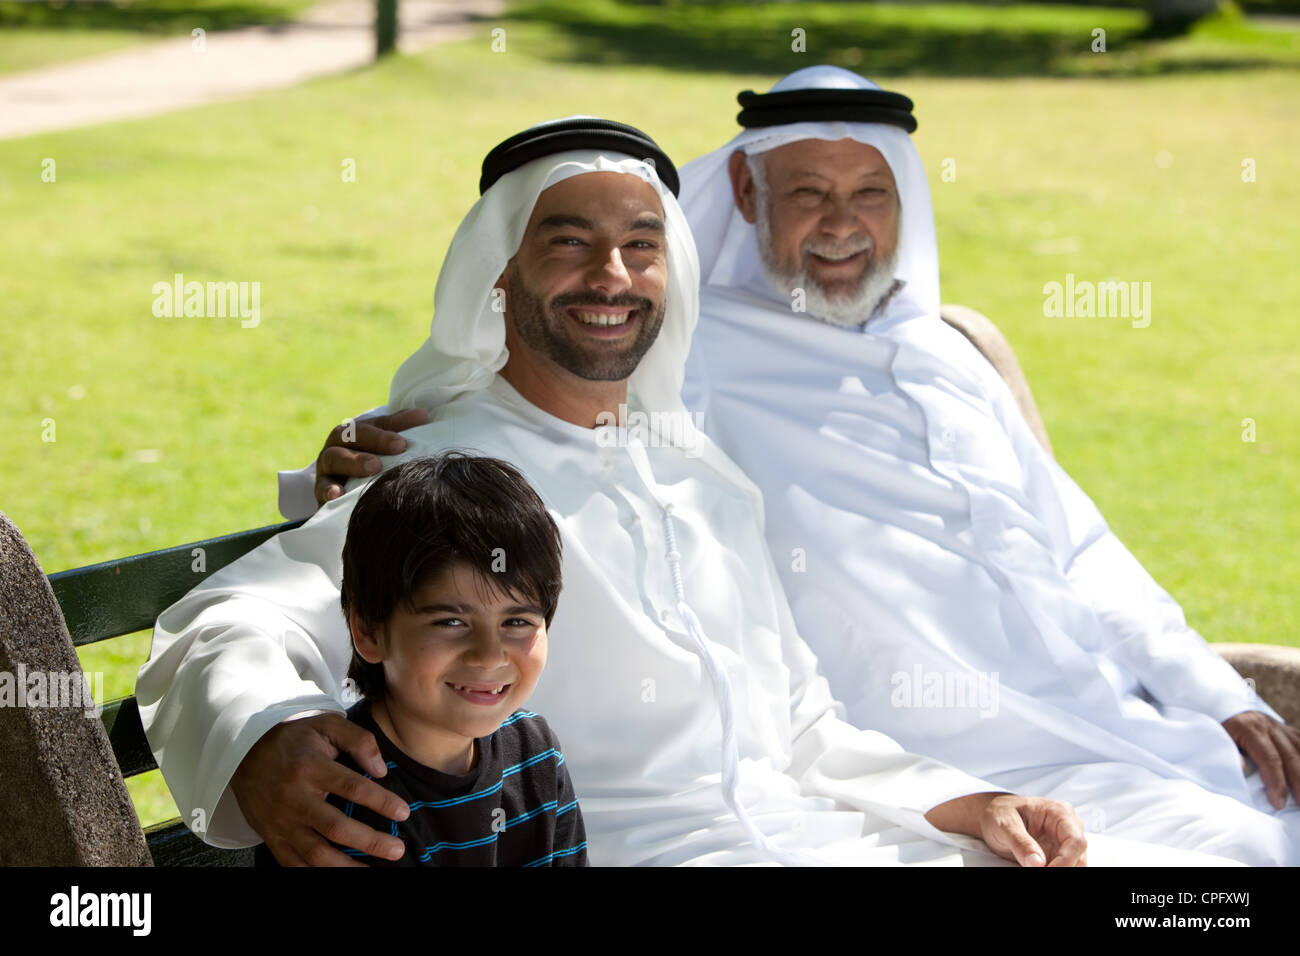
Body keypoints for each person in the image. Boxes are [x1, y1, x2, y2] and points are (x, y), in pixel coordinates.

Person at [285, 82, 1299, 867]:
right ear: (497, 268)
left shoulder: (719, 461)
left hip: (872, 808)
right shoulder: (517, 437)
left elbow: (810, 715)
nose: (613, 277)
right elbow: (266, 609)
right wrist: (259, 736)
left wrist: (978, 797)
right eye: (807, 192)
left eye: (643, 249)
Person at [254, 453, 587, 867]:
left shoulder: (535, 752)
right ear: (369, 631)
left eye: (516, 620)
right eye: (451, 621)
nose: (488, 655)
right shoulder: (350, 799)